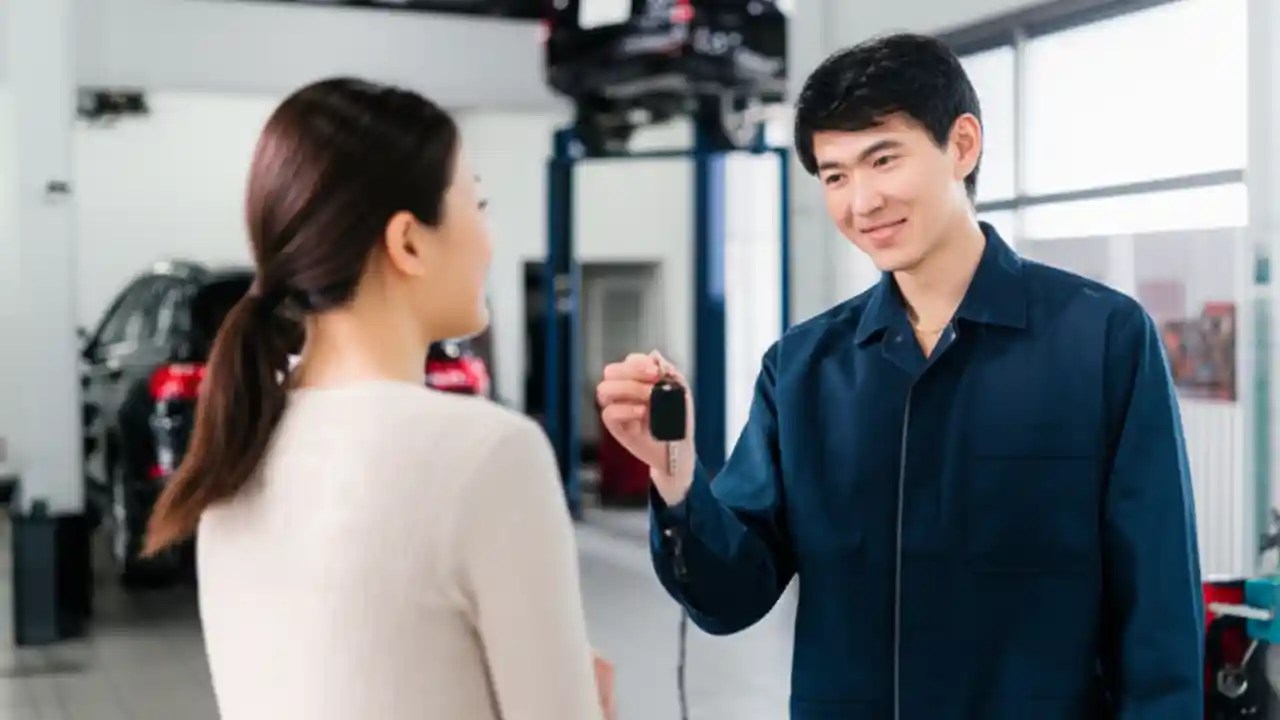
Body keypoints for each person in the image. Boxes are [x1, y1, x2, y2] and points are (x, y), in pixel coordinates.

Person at [597, 33, 1203, 720]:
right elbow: (731, 596)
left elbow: (1157, 611)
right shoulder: (801, 371)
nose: (862, 202)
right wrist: (674, 472)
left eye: (882, 159)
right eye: (835, 176)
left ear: (962, 145)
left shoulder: (1101, 339)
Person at [141, 77, 613, 720]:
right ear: (409, 243)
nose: (489, 239)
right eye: (476, 203)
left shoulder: (235, 451)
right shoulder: (492, 454)